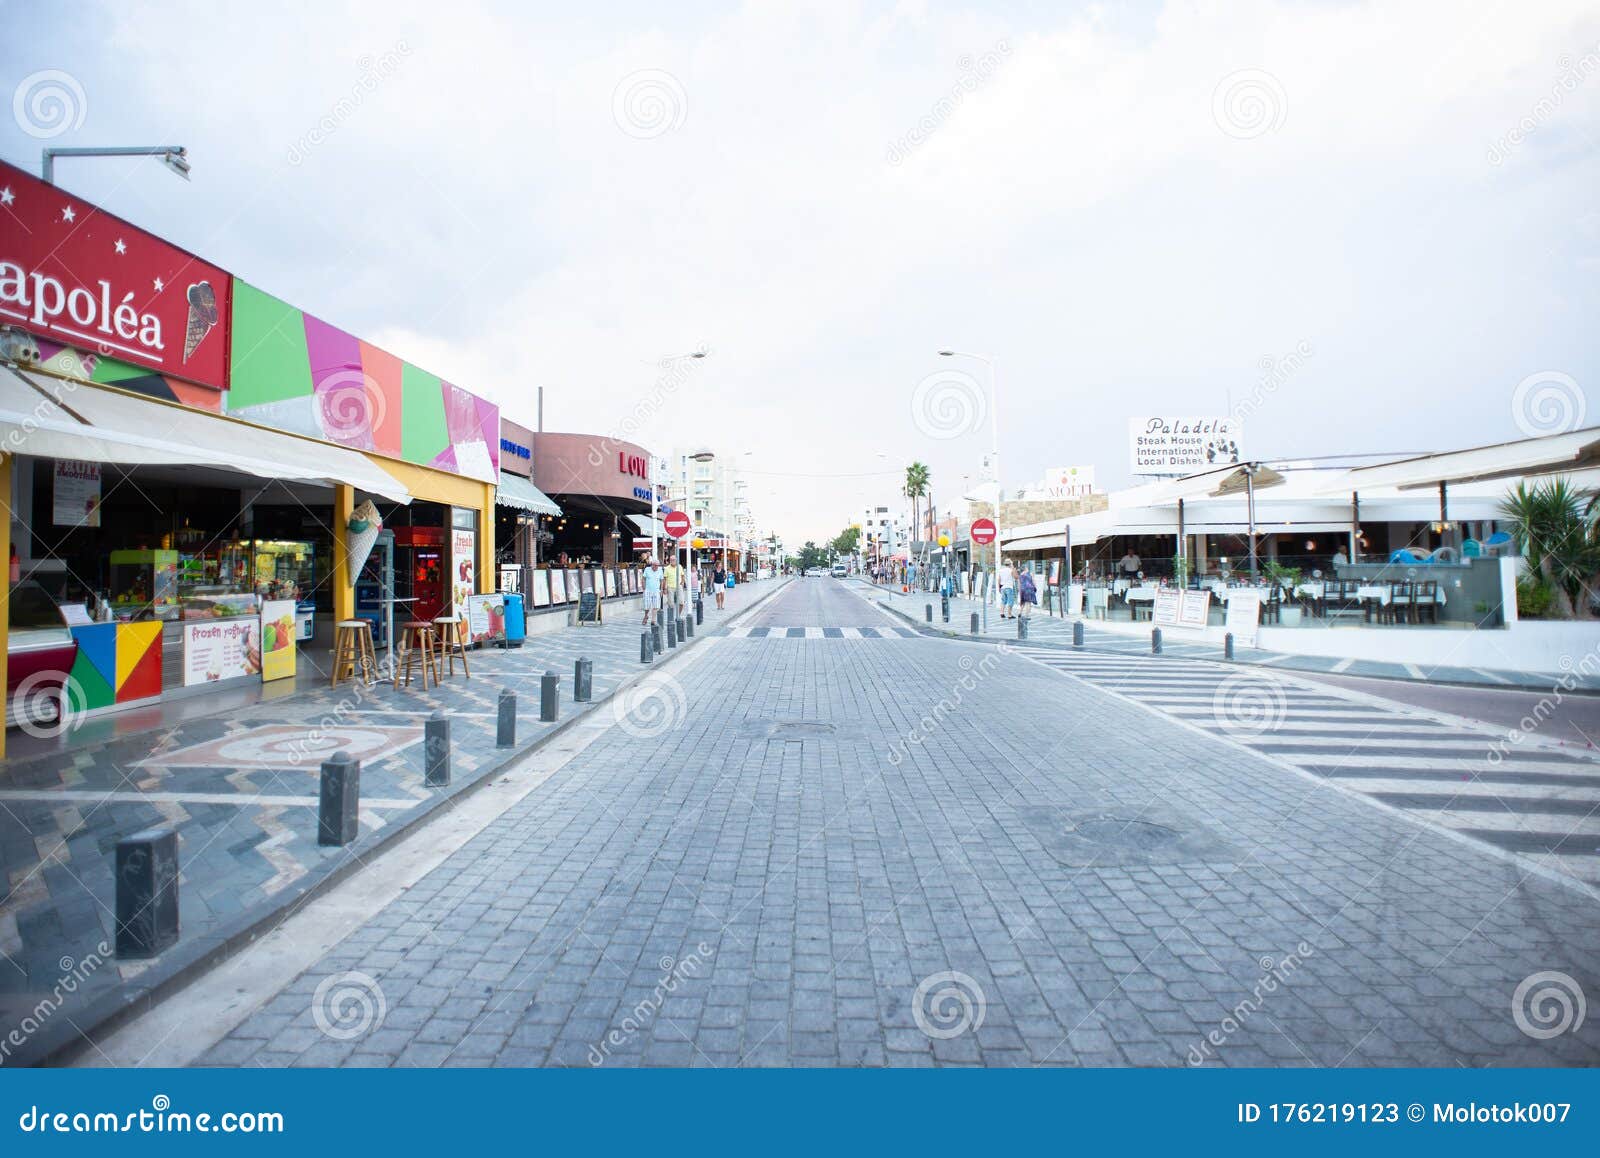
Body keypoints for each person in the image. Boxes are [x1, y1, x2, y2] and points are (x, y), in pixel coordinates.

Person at [642, 558, 663, 625]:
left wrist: (661, 589)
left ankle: (653, 620)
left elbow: (661, 580)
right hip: (648, 590)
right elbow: (643, 578)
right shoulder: (647, 569)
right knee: (647, 606)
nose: (657, 567)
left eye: (658, 565)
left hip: (656, 590)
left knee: (656, 606)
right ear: (652, 565)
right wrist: (644, 588)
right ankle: (646, 615)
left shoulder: (660, 570)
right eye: (656, 565)